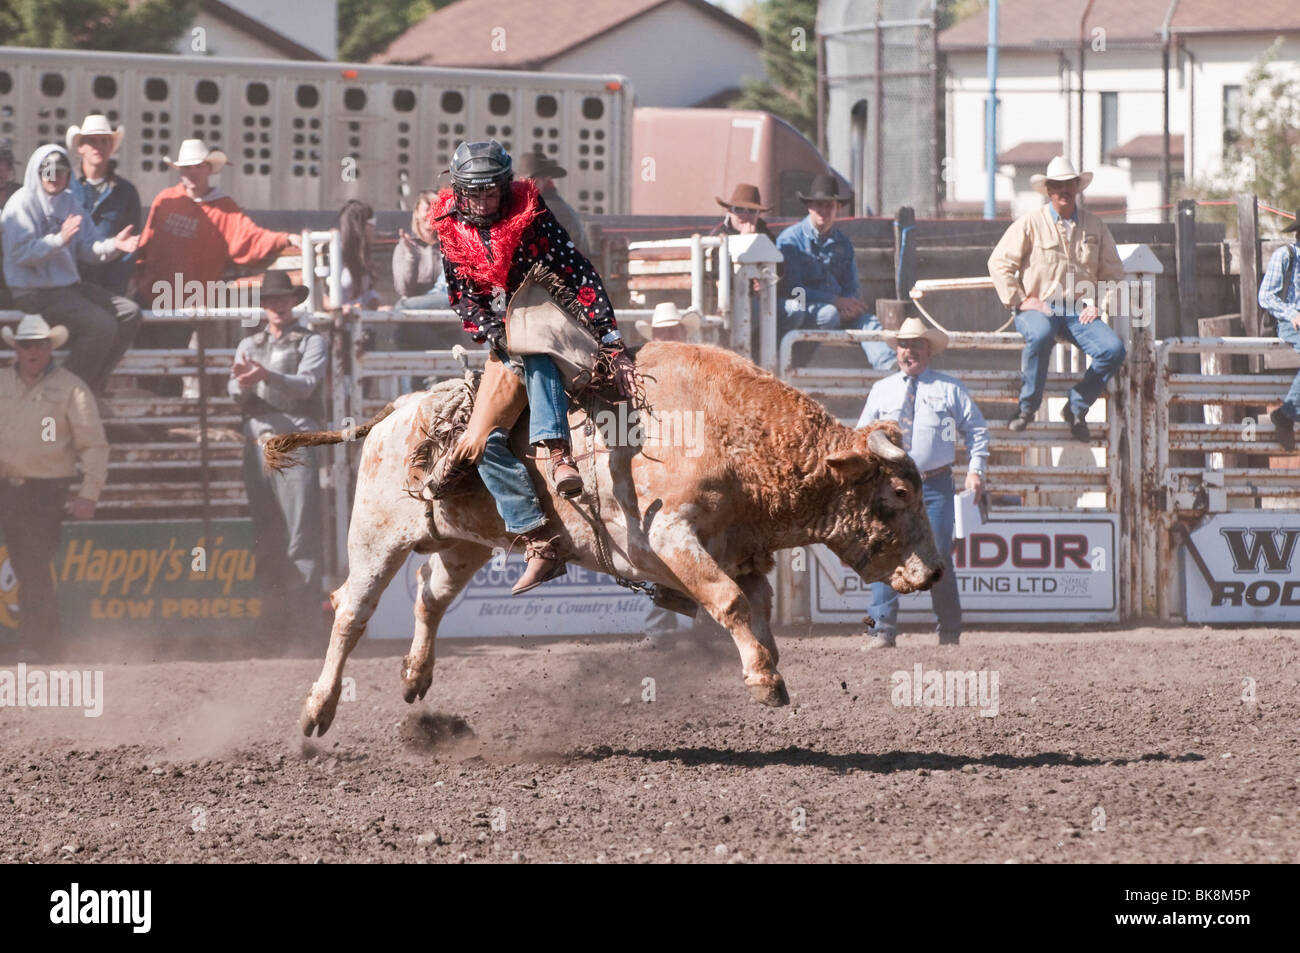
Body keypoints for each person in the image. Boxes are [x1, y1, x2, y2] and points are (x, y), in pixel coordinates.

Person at [432, 139, 635, 594]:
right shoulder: (450, 232)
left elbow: (579, 273)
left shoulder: (534, 217)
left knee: (536, 343)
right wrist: (493, 330)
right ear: (460, 192)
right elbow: (463, 298)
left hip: (559, 326)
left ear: (505, 189)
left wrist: (611, 341)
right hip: (505, 342)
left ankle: (559, 451)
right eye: (475, 194)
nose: (483, 203)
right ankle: (538, 536)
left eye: (491, 193)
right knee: (478, 444)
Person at [857, 317, 988, 649]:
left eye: (915, 345)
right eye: (903, 345)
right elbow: (862, 434)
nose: (908, 351)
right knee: (885, 551)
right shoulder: (881, 389)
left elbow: (977, 430)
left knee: (938, 554)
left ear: (928, 350)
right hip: (891, 485)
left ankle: (949, 629)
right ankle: (880, 629)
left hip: (934, 485)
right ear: (896, 351)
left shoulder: (950, 389)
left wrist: (976, 469)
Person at [988, 156, 1127, 442]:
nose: (1063, 190)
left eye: (1069, 184)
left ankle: (1076, 406)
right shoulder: (1030, 223)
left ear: (1077, 187)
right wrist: (1021, 299)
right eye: (1057, 185)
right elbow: (999, 262)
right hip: (1039, 305)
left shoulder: (1095, 226)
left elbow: (1113, 273)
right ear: (1049, 190)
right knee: (1039, 336)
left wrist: (1100, 304)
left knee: (1113, 350)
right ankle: (1027, 408)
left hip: (1078, 309)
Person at [0, 314, 108, 655]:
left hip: (44, 491)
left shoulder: (70, 387)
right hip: (5, 485)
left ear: (50, 348)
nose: (33, 352)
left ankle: (42, 647)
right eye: (27, 345)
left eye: (39, 345)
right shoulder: (2, 382)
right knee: (26, 566)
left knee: (31, 566)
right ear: (16, 349)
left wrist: (88, 493)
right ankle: (40, 646)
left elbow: (93, 444)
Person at [227, 271, 326, 629]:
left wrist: (264, 376)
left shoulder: (310, 341)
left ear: (293, 302)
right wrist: (243, 381)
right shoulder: (249, 345)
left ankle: (302, 623)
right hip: (258, 440)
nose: (278, 305)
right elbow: (233, 390)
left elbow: (306, 386)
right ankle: (273, 622)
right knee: (266, 531)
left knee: (300, 533)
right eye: (272, 300)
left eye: (283, 299)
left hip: (293, 440)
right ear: (265, 306)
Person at [1, 144, 141, 395]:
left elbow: (89, 247)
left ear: (68, 174)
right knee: (101, 325)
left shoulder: (70, 202)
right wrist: (59, 240)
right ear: (38, 172)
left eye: (61, 171)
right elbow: (20, 254)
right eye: (48, 171)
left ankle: (89, 387)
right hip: (34, 292)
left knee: (130, 313)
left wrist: (115, 246)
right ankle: (59, 393)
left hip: (67, 288)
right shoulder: (20, 204)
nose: (54, 177)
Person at [134, 138, 301, 312]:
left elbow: (249, 236)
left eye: (198, 167)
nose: (193, 173)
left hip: (188, 303)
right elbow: (146, 243)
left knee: (172, 338)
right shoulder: (166, 199)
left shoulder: (224, 208)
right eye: (187, 168)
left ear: (209, 169)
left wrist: (285, 238)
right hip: (148, 294)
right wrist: (138, 278)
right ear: (180, 171)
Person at [776, 174, 897, 371]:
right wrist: (836, 301)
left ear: (837, 208)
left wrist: (851, 305)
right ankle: (795, 363)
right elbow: (793, 290)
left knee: (868, 321)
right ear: (809, 207)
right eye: (819, 205)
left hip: (838, 311)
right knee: (828, 314)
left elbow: (852, 285)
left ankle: (889, 368)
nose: (824, 210)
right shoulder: (791, 240)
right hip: (806, 310)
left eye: (829, 206)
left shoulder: (843, 243)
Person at [66, 115, 141, 296]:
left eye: (104, 141)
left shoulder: (127, 192)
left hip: (108, 287)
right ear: (80, 147)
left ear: (111, 147)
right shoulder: (64, 186)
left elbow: (131, 245)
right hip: (67, 285)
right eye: (91, 141)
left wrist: (116, 288)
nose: (98, 146)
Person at [1259, 213, 1300, 452]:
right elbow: (1265, 296)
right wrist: (1292, 314)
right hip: (1289, 321)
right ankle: (1286, 414)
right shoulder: (1285, 256)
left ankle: (1288, 414)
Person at [514, 149, 586, 254]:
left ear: (546, 180)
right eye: (523, 182)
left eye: (535, 182)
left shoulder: (554, 212)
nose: (527, 186)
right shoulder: (530, 206)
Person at [394, 188, 450, 311]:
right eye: (427, 209)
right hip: (418, 309)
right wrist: (411, 256)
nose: (432, 214)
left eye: (436, 209)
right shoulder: (405, 246)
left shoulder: (450, 244)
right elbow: (404, 290)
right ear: (417, 214)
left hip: (445, 307)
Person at [337, 198, 382, 310]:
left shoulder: (361, 256)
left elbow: (365, 294)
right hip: (339, 323)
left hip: (359, 322)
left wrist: (381, 308)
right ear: (360, 225)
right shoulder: (334, 254)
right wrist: (340, 309)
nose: (374, 228)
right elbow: (320, 295)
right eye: (372, 223)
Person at [711, 183, 775, 241]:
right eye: (739, 209)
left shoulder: (767, 235)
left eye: (752, 211)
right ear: (730, 212)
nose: (745, 215)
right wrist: (743, 240)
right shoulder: (718, 235)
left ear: (758, 214)